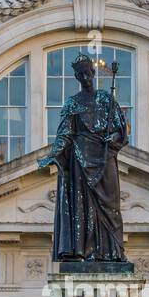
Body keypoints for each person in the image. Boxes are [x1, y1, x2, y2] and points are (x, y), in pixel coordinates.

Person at [37, 52, 128, 264]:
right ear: (77, 78)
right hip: (80, 158)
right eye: (81, 74)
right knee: (82, 208)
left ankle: (111, 252)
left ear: (93, 73)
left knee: (110, 206)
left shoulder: (106, 99)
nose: (85, 77)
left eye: (88, 73)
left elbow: (121, 131)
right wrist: (52, 155)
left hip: (104, 158)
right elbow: (65, 134)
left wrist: (111, 136)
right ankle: (84, 250)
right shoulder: (72, 104)